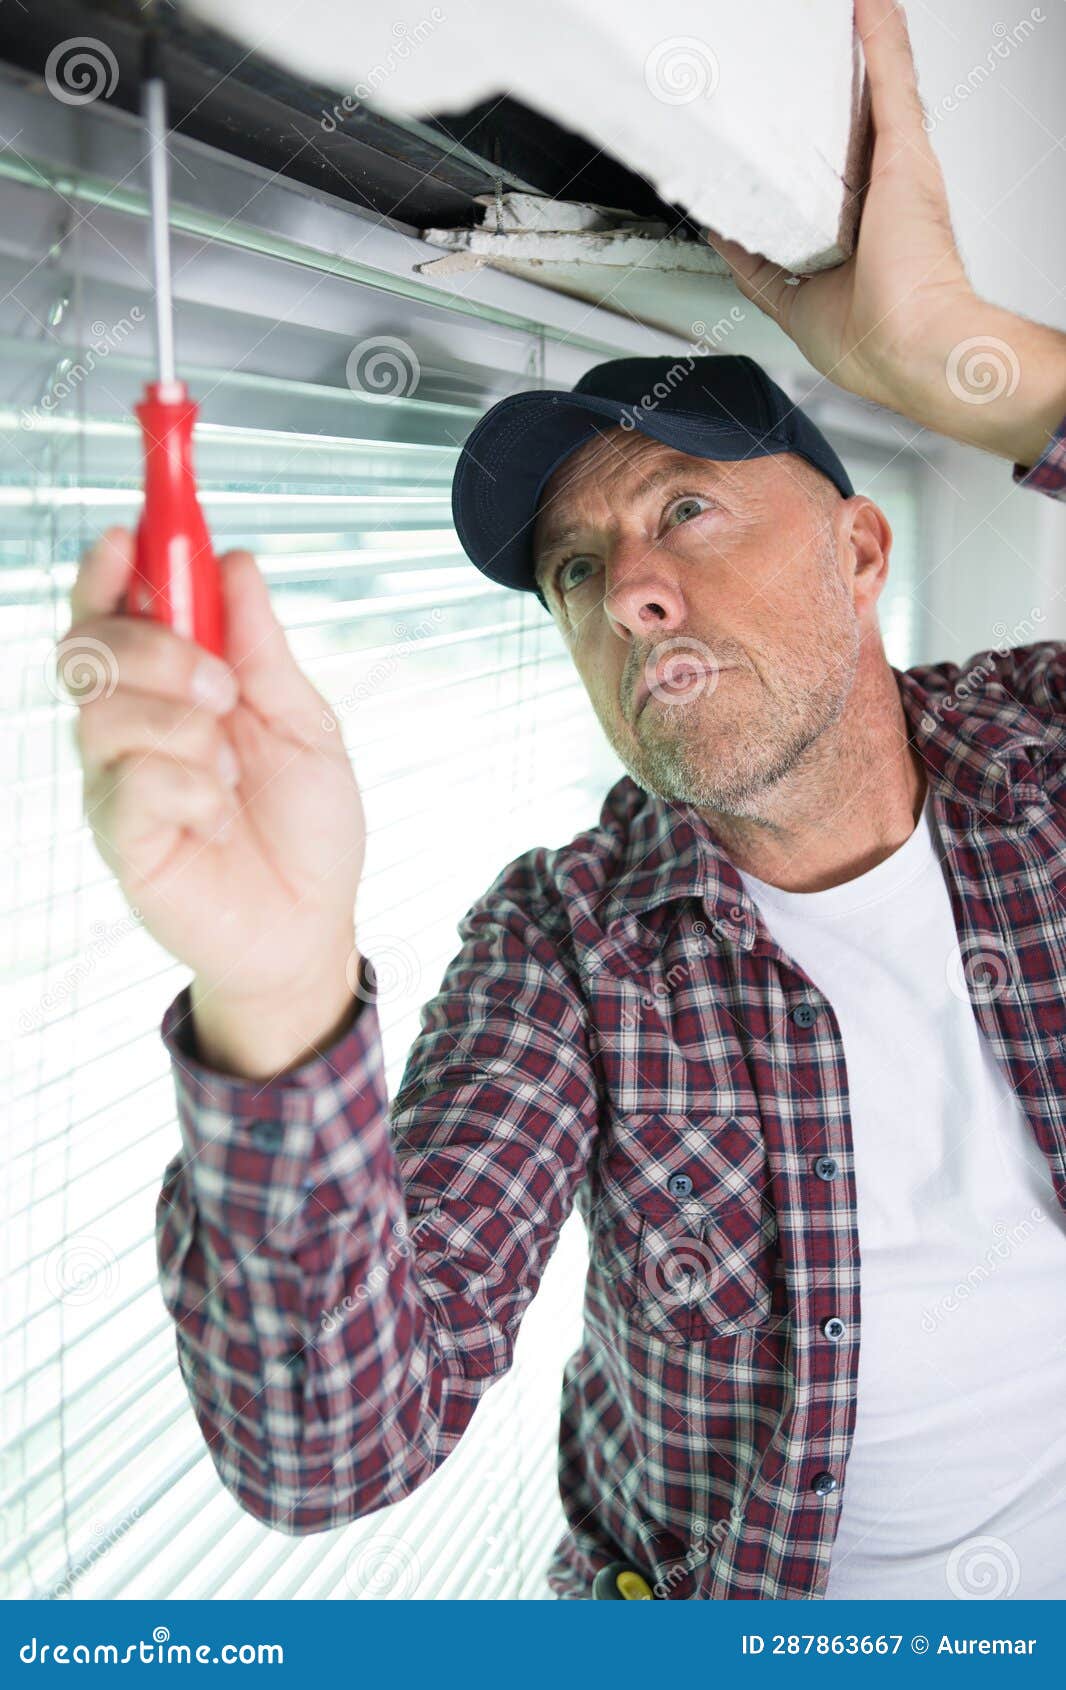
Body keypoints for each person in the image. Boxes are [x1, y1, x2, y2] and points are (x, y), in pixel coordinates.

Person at [62, 0, 1066, 1598]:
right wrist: (271, 982)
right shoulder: (567, 944)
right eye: (580, 571)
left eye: (685, 508)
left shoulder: (1042, 749)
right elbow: (333, 1449)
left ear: (860, 551)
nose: (633, 594)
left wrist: (969, 361)